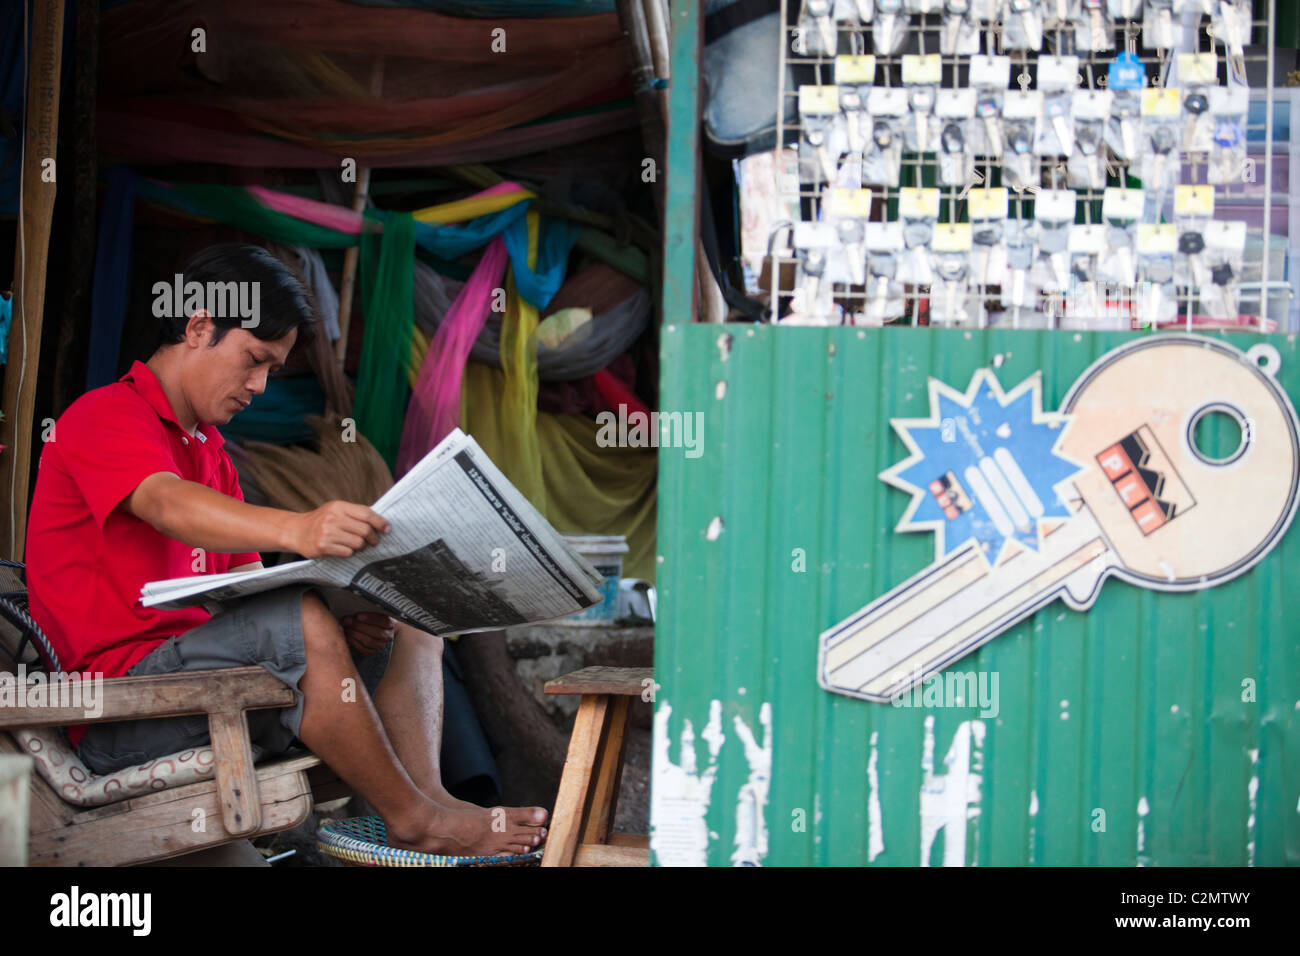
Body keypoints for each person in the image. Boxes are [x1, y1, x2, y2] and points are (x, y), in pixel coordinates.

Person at [24, 243, 547, 857]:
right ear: (198, 327)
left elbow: (244, 594)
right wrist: (299, 530)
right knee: (297, 625)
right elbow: (163, 502)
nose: (260, 385)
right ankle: (414, 820)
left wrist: (348, 624)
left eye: (271, 367)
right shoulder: (107, 414)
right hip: (123, 713)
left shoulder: (213, 454)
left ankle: (431, 799)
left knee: (410, 624)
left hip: (213, 692)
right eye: (254, 360)